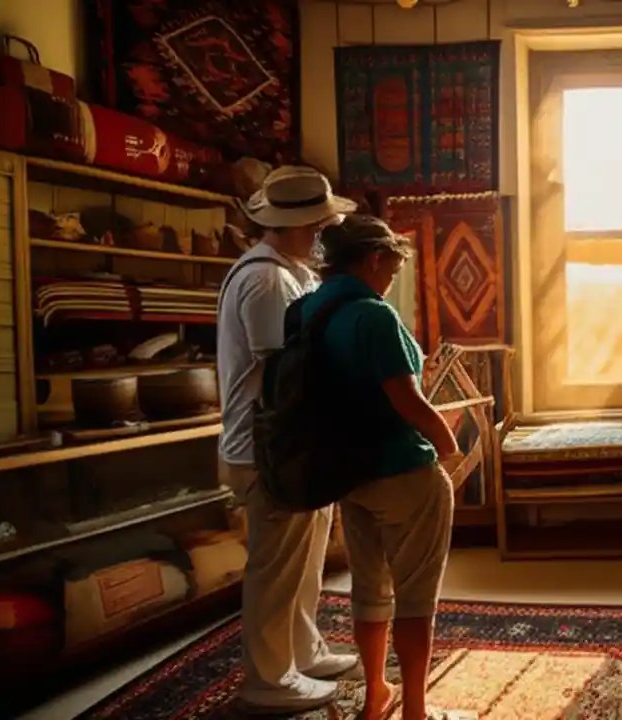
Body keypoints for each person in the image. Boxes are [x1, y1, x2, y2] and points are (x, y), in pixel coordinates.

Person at [294, 214, 471, 720]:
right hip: (402, 470)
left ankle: (376, 694)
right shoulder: (373, 315)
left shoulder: (309, 312)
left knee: (368, 588)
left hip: (348, 472)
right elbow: (406, 399)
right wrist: (446, 444)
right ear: (374, 259)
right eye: (391, 267)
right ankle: (415, 709)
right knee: (415, 594)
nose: (391, 277)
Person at [215, 166, 359, 714]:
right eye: (321, 224)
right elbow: (288, 370)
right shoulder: (267, 280)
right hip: (268, 447)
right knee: (275, 568)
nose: (325, 233)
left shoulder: (285, 271)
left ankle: (302, 649)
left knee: (304, 558)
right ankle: (269, 679)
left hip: (291, 443)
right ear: (304, 226)